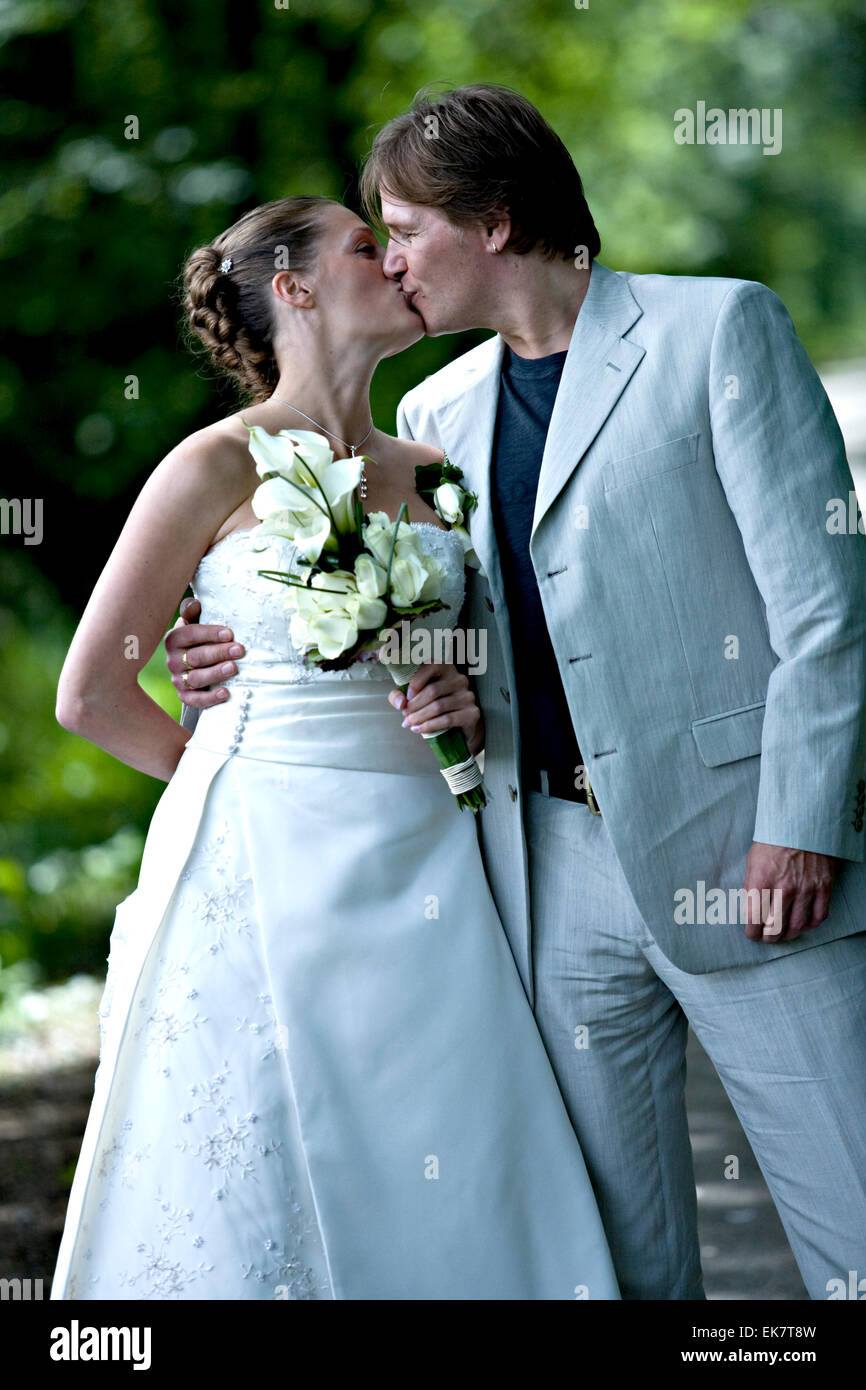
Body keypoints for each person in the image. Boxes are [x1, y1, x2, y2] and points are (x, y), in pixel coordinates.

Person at [173, 85, 866, 1301]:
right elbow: (463, 633)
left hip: (749, 851)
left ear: (492, 222)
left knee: (851, 1227)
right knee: (620, 1259)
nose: (388, 262)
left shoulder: (719, 330)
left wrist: (797, 823)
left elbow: (824, 608)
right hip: (543, 879)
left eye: (402, 227)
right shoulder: (437, 415)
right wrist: (232, 642)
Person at [49, 193, 620, 1300]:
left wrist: (461, 690)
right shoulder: (212, 465)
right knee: (262, 1139)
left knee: (442, 1123)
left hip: (431, 853)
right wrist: (229, 761)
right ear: (293, 287)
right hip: (262, 855)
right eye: (368, 246)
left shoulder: (435, 463)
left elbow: (478, 647)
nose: (398, 261)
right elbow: (89, 691)